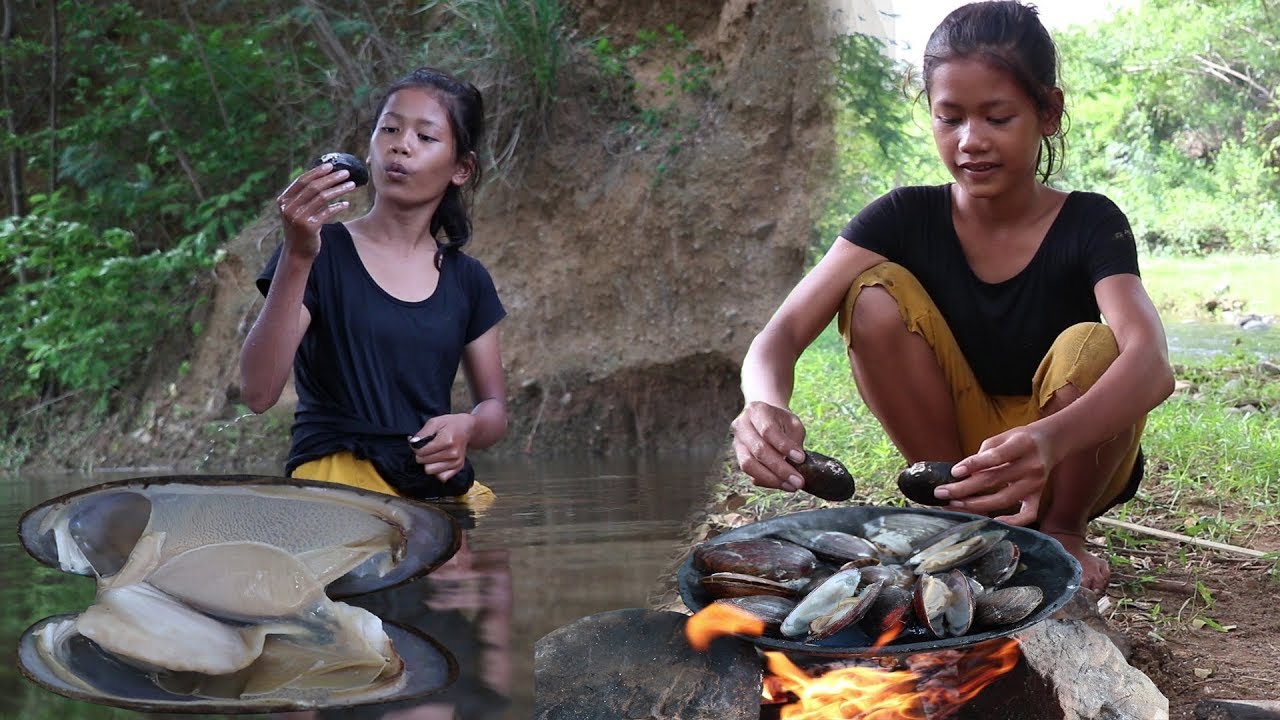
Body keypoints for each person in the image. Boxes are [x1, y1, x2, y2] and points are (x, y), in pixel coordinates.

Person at [730, 0, 1175, 594]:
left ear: (1048, 112)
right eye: (950, 119)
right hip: (963, 461)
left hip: (1070, 455)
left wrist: (1048, 440)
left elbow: (1151, 363)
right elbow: (780, 335)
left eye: (998, 117)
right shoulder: (901, 216)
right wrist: (762, 405)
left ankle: (1063, 529)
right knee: (872, 295)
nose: (971, 141)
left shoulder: (1091, 222)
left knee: (1094, 343)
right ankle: (959, 510)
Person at [240, 67, 508, 501]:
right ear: (368, 149)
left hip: (431, 489)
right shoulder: (318, 251)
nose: (401, 145)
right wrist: (297, 255)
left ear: (462, 168)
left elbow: (494, 410)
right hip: (336, 489)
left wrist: (468, 426)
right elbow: (258, 393)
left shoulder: (468, 279)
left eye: (425, 136)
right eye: (389, 129)